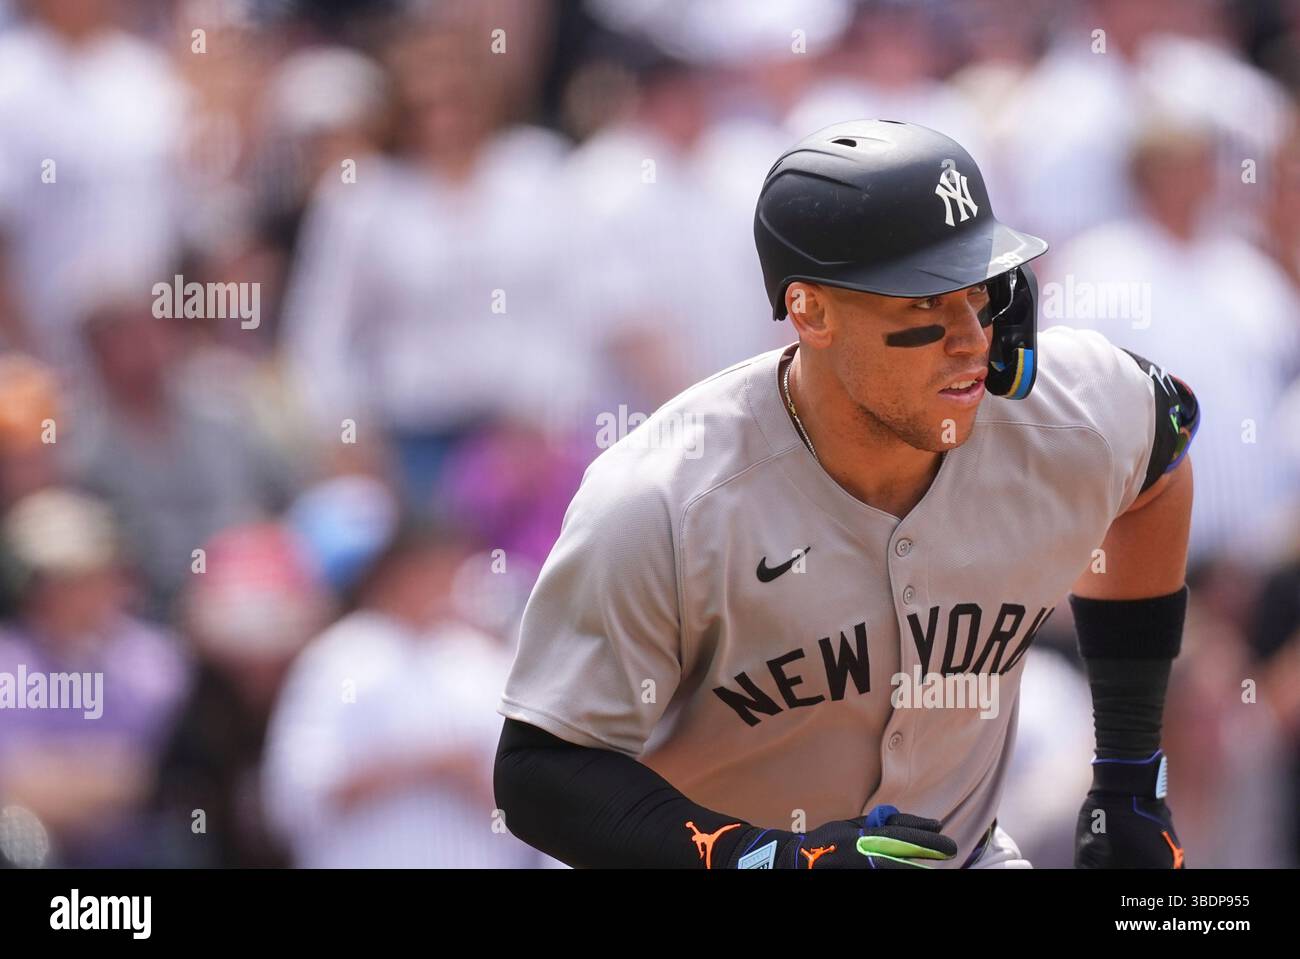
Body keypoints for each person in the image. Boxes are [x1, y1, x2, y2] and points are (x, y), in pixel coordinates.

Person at [493, 120, 1199, 869]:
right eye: (927, 302)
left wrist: (1129, 773)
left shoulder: (1069, 410)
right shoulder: (665, 500)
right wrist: (769, 860)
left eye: (982, 291)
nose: (973, 339)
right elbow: (538, 773)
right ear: (812, 311)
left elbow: (1163, 451)